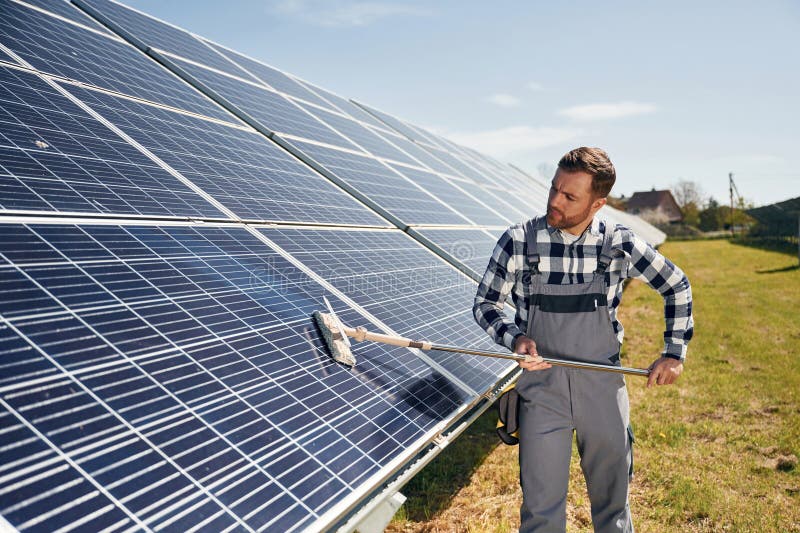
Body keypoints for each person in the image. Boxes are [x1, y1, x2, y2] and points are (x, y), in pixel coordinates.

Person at [473, 147, 693, 532]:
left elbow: (677, 285)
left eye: (570, 196)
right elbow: (485, 304)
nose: (555, 200)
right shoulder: (518, 241)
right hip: (541, 390)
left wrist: (673, 353)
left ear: (598, 203)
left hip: (602, 387)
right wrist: (515, 338)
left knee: (613, 507)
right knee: (540, 511)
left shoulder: (618, 244)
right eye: (554, 188)